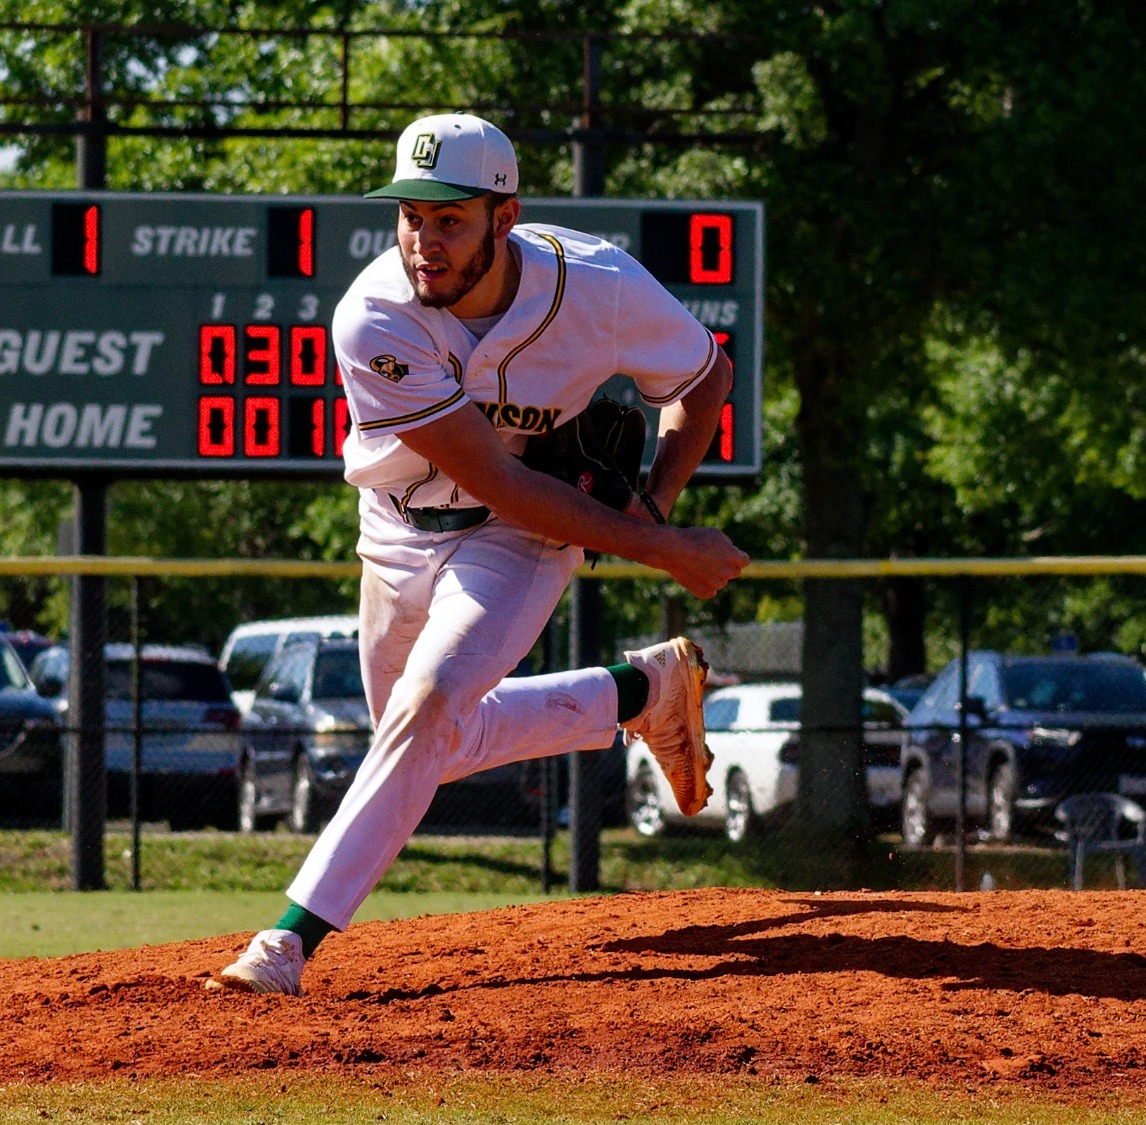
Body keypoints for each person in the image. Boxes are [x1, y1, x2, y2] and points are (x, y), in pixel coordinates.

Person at [207, 113, 751, 994]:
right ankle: (644, 690)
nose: (423, 240)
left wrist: (656, 499)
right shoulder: (374, 313)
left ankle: (288, 940)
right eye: (409, 216)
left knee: (427, 712)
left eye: (449, 218)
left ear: (506, 217)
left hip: (521, 540)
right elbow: (499, 475)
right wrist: (660, 546)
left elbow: (704, 376)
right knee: (428, 739)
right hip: (396, 529)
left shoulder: (597, 285)